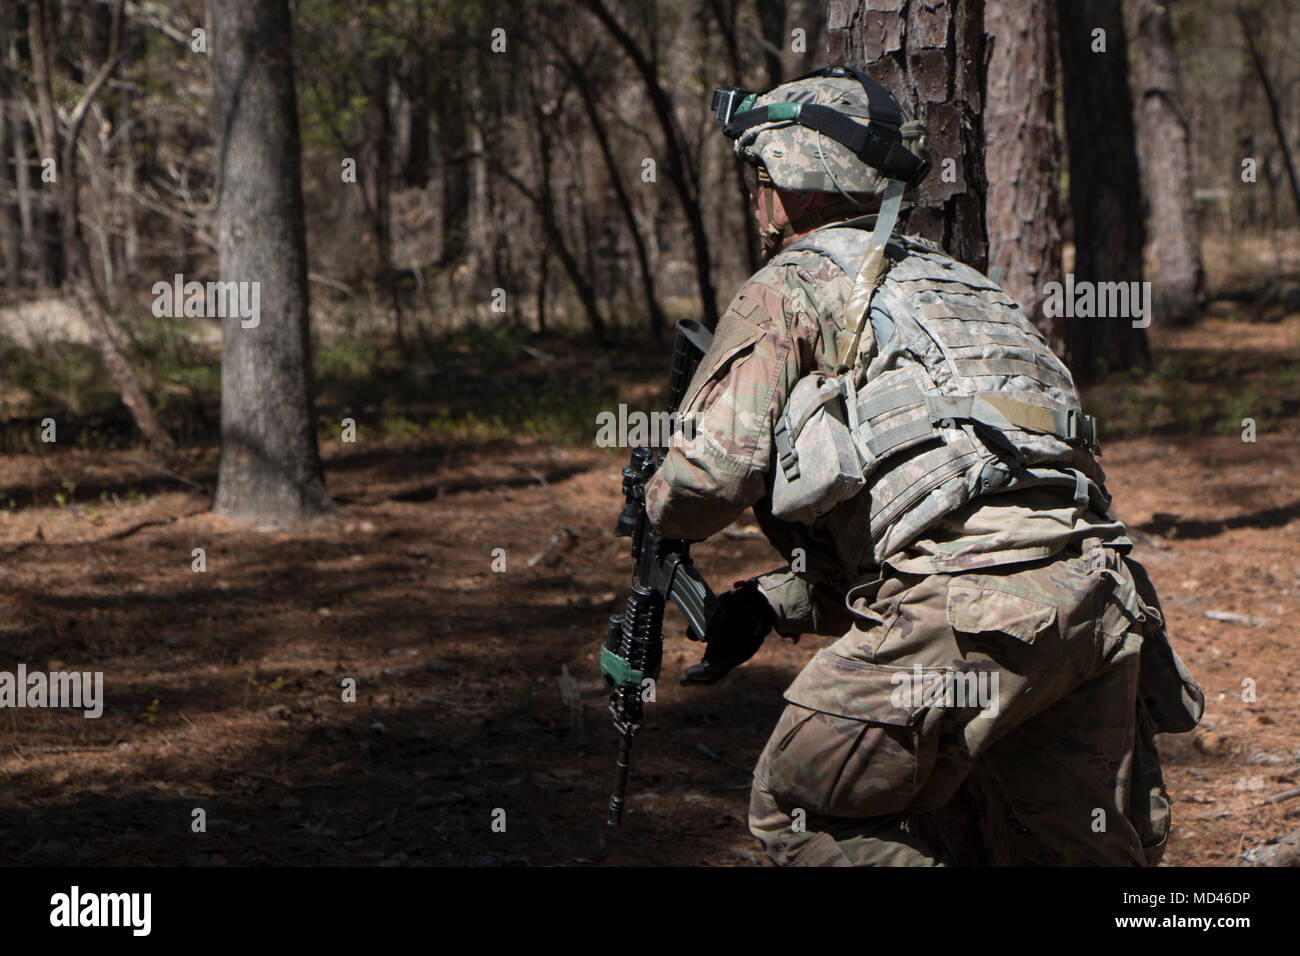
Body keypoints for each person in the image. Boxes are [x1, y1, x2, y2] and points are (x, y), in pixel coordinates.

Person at [643, 67, 1203, 866]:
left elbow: (705, 480)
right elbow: (950, 512)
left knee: (798, 810)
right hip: (1100, 606)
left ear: (795, 187)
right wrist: (768, 604)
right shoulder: (968, 291)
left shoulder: (798, 281)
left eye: (760, 177)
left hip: (972, 608)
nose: (755, 197)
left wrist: (653, 501)